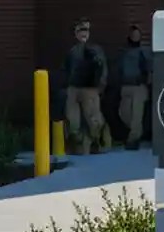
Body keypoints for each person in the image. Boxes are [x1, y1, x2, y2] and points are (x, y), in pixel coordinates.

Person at [62, 18, 109, 155]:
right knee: (72, 121)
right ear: (75, 33)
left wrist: (101, 85)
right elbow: (66, 68)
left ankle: (97, 142)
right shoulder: (72, 51)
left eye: (85, 30)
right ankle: (79, 146)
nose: (83, 33)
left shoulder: (95, 50)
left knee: (94, 120)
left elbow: (102, 67)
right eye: (80, 30)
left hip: (90, 88)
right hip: (74, 88)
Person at [117, 24, 153, 149]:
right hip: (126, 86)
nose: (135, 36)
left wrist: (148, 82)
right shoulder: (124, 52)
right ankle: (136, 133)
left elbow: (150, 69)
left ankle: (133, 139)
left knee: (137, 115)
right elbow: (120, 69)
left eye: (137, 34)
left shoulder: (144, 51)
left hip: (139, 87)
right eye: (133, 34)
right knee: (124, 113)